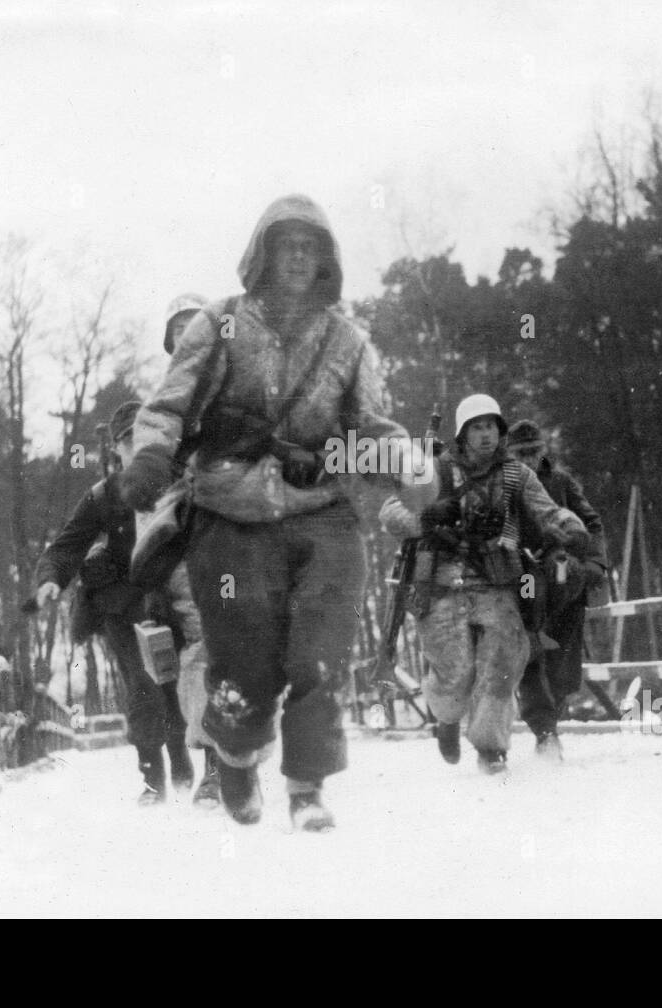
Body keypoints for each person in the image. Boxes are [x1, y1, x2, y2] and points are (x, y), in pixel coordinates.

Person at [121, 194, 433, 831]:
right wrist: (151, 455)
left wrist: (405, 459)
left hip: (322, 508)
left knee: (320, 655)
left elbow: (366, 425)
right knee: (243, 659)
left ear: (326, 259)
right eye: (286, 244)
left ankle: (308, 785)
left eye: (310, 246)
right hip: (229, 511)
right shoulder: (220, 323)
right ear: (262, 251)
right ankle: (235, 754)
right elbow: (167, 404)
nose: (297, 257)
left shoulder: (348, 340)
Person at [378, 395, 590, 774]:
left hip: (496, 582)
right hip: (441, 584)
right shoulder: (436, 471)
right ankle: (446, 718)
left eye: (492, 426)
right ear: (462, 433)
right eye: (477, 427)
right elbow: (391, 513)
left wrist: (570, 527)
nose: (486, 434)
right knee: (454, 672)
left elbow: (546, 511)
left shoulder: (515, 474)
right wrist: (426, 517)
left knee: (502, 666)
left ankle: (491, 750)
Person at [33, 400, 201, 804]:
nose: (136, 448)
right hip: (121, 607)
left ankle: (180, 756)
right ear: (116, 449)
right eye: (128, 441)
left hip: (168, 600)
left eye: (145, 439)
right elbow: (65, 547)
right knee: (142, 687)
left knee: (175, 681)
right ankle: (151, 778)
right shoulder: (103, 497)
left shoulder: (179, 485)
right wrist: (50, 580)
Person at [505, 419, 609, 760]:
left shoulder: (561, 481)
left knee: (564, 666)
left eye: (534, 452)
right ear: (509, 453)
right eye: (521, 454)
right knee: (531, 653)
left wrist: (596, 562)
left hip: (565, 581)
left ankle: (554, 714)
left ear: (543, 450)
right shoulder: (504, 486)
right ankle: (545, 730)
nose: (529, 459)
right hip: (524, 583)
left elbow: (591, 522)